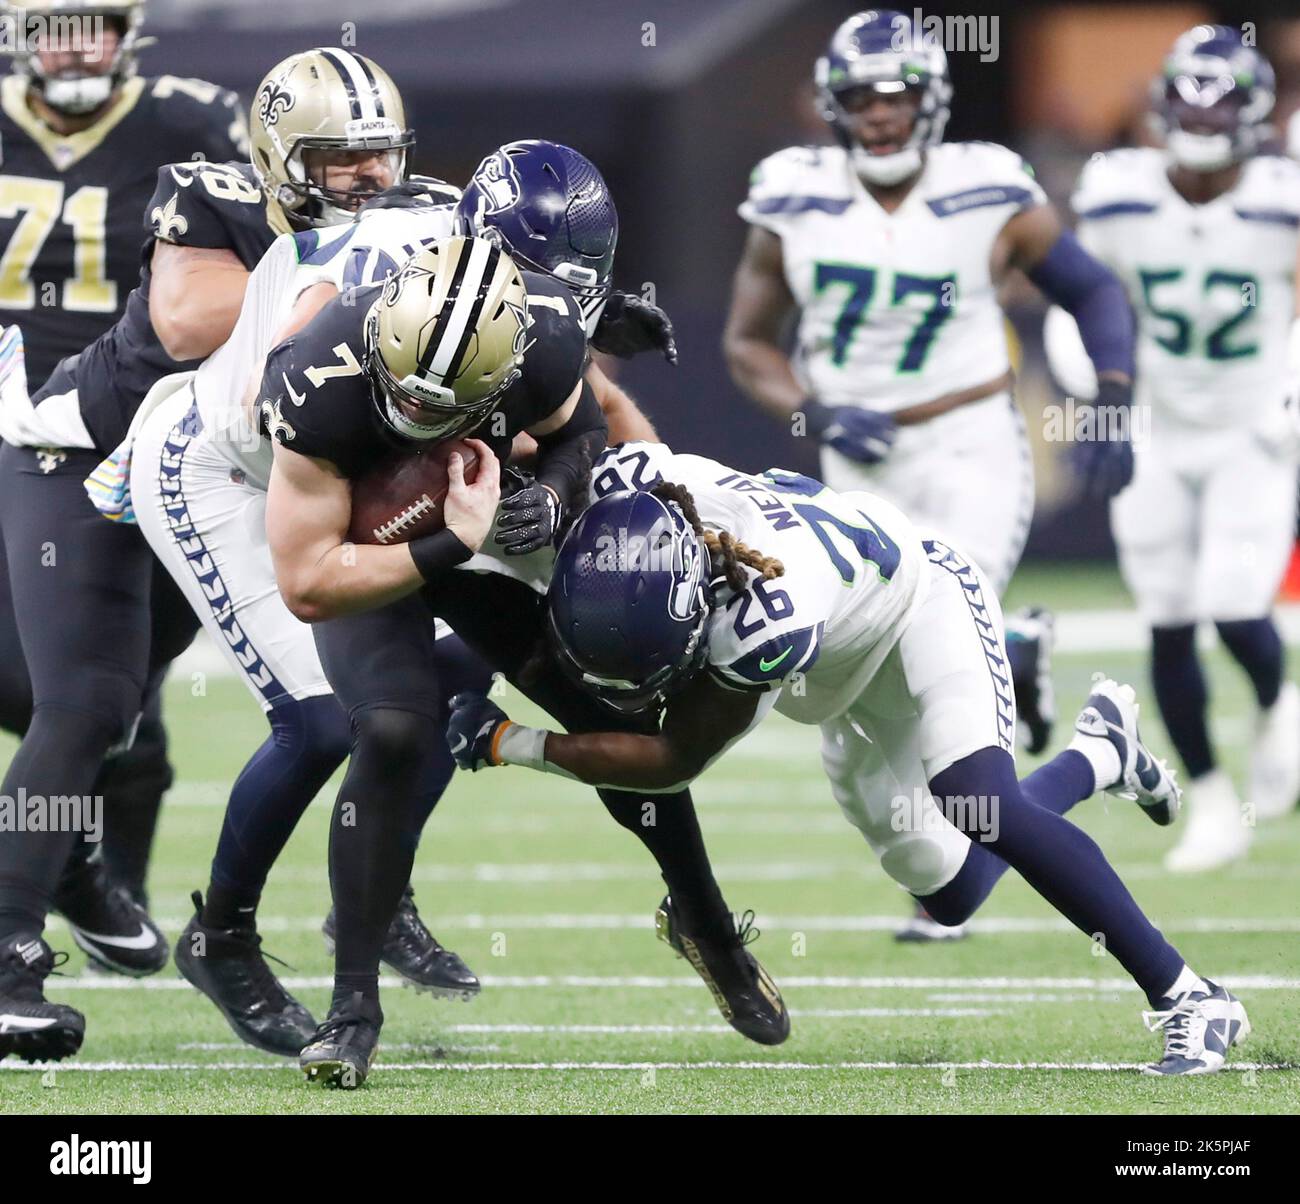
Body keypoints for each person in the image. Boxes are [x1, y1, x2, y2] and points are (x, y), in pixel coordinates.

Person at [447, 441, 1253, 1076]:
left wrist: (509, 742)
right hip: (835, 673)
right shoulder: (629, 495)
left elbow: (670, 759)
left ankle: (1192, 997)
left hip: (917, 605)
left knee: (979, 797)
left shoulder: (768, 617)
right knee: (952, 894)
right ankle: (1096, 752)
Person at [248, 235, 785, 1085]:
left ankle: (709, 926)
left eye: (448, 406)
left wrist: (554, 494)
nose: (421, 416)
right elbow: (310, 584)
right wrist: (447, 541)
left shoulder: (546, 340)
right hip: (362, 537)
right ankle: (351, 1010)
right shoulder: (316, 381)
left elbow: (582, 430)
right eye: (409, 396)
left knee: (612, 716)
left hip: (478, 514)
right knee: (389, 732)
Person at [0, 45, 412, 1065]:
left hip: (225, 478)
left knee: (147, 713)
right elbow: (187, 323)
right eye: (335, 157)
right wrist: (355, 278)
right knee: (84, 702)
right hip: (85, 450)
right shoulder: (213, 194)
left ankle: (96, 873)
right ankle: (8, 954)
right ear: (277, 158)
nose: (366, 178)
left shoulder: (410, 216)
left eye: (380, 156)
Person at [722, 10, 1139, 939]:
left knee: (932, 670)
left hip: (969, 446)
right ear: (833, 106)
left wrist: (1112, 390)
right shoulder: (792, 193)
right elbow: (749, 343)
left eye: (897, 94)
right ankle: (1065, 727)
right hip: (855, 474)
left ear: (932, 100)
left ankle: (1010, 672)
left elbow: (1094, 289)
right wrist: (815, 408)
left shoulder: (984, 184)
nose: (879, 114)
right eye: (861, 98)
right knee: (870, 718)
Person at [0, 0, 245, 974]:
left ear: (126, 30)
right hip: (19, 417)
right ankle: (79, 866)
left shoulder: (193, 118)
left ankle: (94, 882)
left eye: (90, 23)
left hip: (133, 421)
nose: (73, 46)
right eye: (51, 25)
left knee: (104, 697)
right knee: (62, 697)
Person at [1047, 26, 1299, 873]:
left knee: (1235, 604)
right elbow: (1081, 299)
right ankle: (1214, 798)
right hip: (1154, 417)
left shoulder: (1281, 195)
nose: (1202, 117)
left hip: (1250, 420)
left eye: (1220, 99)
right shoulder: (1119, 191)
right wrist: (1100, 399)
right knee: (1167, 615)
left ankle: (1279, 698)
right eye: (1190, 99)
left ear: (1253, 112)